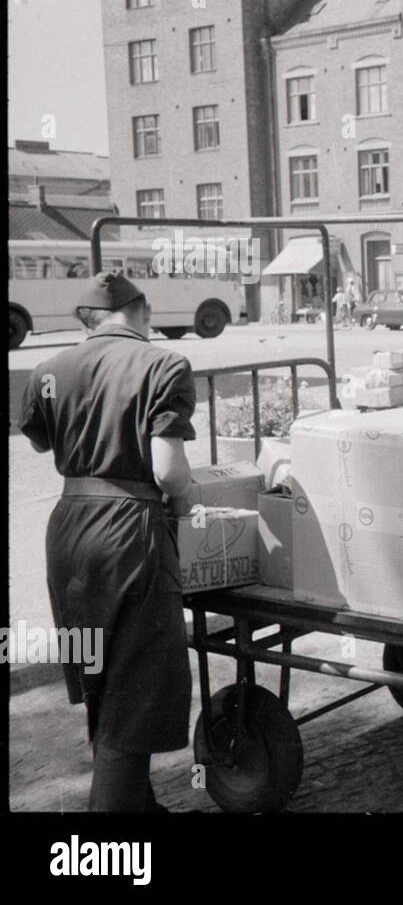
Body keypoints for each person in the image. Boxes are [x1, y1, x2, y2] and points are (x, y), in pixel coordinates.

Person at [19, 272, 197, 812]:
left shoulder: (46, 370)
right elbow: (168, 473)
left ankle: (139, 806)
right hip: (132, 530)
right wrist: (188, 500)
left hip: (69, 531)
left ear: (87, 319)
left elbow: (40, 441)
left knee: (99, 673)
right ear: (140, 310)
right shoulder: (164, 364)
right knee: (138, 682)